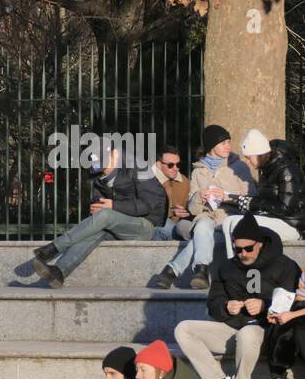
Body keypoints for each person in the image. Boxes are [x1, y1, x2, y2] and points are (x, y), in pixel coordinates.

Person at [174, 215, 302, 379]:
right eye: (238, 249)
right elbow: (213, 302)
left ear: (259, 244)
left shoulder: (284, 265)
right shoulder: (227, 267)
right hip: (232, 327)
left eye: (248, 248)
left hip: (266, 331)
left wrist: (264, 305)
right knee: (183, 329)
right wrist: (225, 306)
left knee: (247, 333)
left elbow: (294, 302)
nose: (243, 253)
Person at [29, 144, 167, 287]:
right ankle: (59, 272)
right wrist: (97, 208)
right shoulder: (97, 173)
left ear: (114, 154)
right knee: (94, 230)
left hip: (146, 226)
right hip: (116, 225)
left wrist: (113, 206)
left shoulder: (138, 167)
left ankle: (53, 248)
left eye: (103, 162)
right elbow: (99, 202)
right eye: (97, 164)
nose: (100, 168)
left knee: (106, 215)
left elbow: (148, 205)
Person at [181, 124, 256, 289]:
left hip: (231, 217)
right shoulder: (197, 172)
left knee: (200, 236)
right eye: (223, 143)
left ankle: (174, 270)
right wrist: (198, 197)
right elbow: (193, 210)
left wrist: (226, 195)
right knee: (202, 225)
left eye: (229, 142)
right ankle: (200, 271)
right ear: (211, 146)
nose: (228, 146)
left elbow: (253, 199)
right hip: (208, 217)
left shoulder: (239, 167)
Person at [221, 129, 303, 256]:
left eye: (249, 158)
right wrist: (237, 200)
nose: (247, 162)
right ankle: (233, 263)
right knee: (228, 222)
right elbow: (263, 201)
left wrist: (253, 203)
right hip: (273, 219)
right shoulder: (267, 169)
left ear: (259, 153)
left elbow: (287, 208)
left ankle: (239, 265)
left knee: (238, 223)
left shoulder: (286, 170)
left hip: (291, 225)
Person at [146, 147, 195, 288]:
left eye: (178, 164)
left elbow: (189, 206)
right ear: (160, 164)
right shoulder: (147, 178)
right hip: (153, 222)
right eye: (170, 165)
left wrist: (187, 212)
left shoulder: (184, 181)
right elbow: (147, 209)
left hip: (176, 226)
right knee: (163, 228)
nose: (175, 168)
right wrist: (172, 213)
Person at [256, 270, 305, 379]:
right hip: (299, 309)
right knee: (279, 329)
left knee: (302, 331)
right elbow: (300, 298)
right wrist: (278, 310)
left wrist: (293, 315)